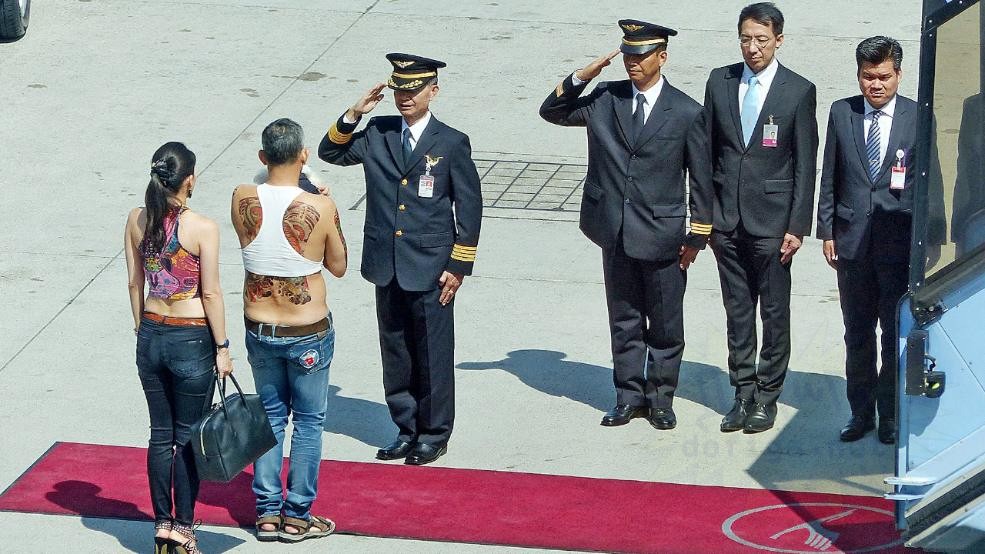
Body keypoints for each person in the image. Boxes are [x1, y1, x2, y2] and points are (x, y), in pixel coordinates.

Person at [539, 20, 713, 430]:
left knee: (665, 324)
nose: (633, 62)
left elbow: (702, 178)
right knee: (624, 319)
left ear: (662, 57)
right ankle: (628, 396)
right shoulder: (605, 97)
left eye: (642, 55)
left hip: (663, 234)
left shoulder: (686, 111)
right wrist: (582, 76)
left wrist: (699, 233)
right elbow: (553, 112)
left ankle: (661, 399)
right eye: (628, 55)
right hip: (613, 228)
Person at [319, 53, 482, 466]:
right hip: (386, 263)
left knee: (433, 353)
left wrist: (459, 265)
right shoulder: (379, 132)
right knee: (395, 351)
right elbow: (331, 153)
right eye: (399, 90)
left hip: (432, 266)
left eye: (414, 90)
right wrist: (355, 113)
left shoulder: (451, 142)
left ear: (433, 91)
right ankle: (406, 428)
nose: (405, 97)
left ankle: (434, 432)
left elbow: (469, 206)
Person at [818, 37, 945, 444]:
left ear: (899, 75)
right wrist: (827, 230)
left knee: (893, 335)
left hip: (897, 245)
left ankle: (889, 414)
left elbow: (932, 180)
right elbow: (830, 175)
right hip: (852, 243)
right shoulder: (843, 113)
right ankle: (861, 413)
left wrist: (933, 237)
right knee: (856, 333)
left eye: (884, 77)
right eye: (868, 76)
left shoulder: (916, 116)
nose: (876, 85)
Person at [702, 2, 818, 433]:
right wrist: (705, 217)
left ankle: (767, 396)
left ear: (779, 40)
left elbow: (806, 163)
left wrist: (797, 226)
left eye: (762, 40)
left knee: (773, 312)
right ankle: (742, 392)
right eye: (746, 39)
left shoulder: (798, 90)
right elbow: (706, 152)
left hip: (773, 224)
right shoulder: (720, 81)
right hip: (726, 221)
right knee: (737, 313)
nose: (753, 48)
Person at [230, 118, 347, 543]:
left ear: (263, 156)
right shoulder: (320, 207)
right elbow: (338, 265)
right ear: (303, 155)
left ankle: (266, 513)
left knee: (269, 418)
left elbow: (263, 188)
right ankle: (297, 515)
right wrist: (320, 194)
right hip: (308, 329)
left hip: (260, 326)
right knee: (309, 423)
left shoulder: (241, 197)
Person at [124, 142, 234, 554]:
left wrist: (142, 328)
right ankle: (183, 529)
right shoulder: (202, 227)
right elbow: (211, 293)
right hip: (191, 337)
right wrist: (222, 346)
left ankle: (161, 524)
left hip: (151, 330)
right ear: (190, 180)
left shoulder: (137, 219)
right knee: (188, 436)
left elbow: (135, 282)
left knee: (160, 435)